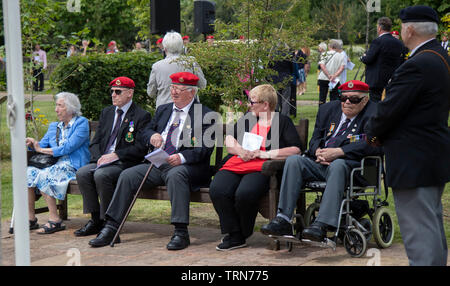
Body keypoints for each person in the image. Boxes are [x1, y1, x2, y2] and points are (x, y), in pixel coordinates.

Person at [89, 72, 216, 250]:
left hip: (187, 167)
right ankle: (111, 227)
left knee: (176, 174)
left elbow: (204, 148)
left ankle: (181, 232)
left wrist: (181, 157)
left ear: (192, 92)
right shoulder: (164, 109)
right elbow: (145, 131)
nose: (173, 92)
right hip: (158, 163)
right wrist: (153, 136)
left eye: (178, 89)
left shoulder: (206, 115)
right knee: (127, 175)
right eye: (172, 88)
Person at [366, 6, 449, 266]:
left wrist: (371, 136)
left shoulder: (418, 64)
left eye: (402, 27)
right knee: (430, 229)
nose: (401, 31)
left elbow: (387, 111)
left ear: (410, 29)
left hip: (413, 159)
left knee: (420, 236)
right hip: (430, 155)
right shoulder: (440, 56)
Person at [261, 80, 382, 241]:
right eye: (343, 98)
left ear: (365, 100)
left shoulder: (375, 113)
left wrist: (339, 152)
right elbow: (316, 138)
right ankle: (283, 219)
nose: (347, 102)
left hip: (354, 168)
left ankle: (322, 224)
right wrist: (317, 151)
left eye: (353, 99)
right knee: (294, 161)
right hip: (321, 163)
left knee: (338, 164)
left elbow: (375, 143)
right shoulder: (328, 110)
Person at [209, 84, 302, 251]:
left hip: (263, 167)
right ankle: (235, 233)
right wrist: (240, 150)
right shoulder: (248, 118)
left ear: (265, 104)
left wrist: (265, 154)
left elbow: (295, 149)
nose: (249, 105)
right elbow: (229, 139)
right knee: (217, 189)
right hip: (238, 162)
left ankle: (240, 234)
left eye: (252, 102)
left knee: (245, 193)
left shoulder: (282, 121)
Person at [74, 77, 152, 237]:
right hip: (103, 160)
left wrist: (115, 155)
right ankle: (96, 220)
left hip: (125, 162)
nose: (113, 95)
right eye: (112, 92)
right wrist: (99, 158)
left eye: (118, 91)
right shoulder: (107, 112)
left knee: (101, 175)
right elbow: (95, 142)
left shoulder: (141, 116)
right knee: (82, 173)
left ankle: (108, 222)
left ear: (130, 93)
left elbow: (140, 148)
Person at [27, 92, 90, 234]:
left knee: (46, 174)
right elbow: (41, 145)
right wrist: (32, 144)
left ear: (70, 108)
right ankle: (30, 219)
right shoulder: (54, 126)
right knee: (28, 173)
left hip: (74, 165)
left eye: (60, 106)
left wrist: (41, 149)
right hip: (54, 164)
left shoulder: (81, 123)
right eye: (56, 105)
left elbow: (69, 147)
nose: (56, 109)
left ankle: (54, 220)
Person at [147, 31, 207, 108]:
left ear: (164, 48)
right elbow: (202, 85)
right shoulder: (192, 62)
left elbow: (151, 93)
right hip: (190, 109)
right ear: (181, 46)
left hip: (164, 109)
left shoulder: (157, 66)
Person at [360, 17, 404, 102]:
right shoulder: (399, 43)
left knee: (375, 103)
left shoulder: (378, 41)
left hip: (377, 80)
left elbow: (368, 59)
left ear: (379, 28)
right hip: (392, 78)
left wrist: (362, 57)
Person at [317, 39, 346, 105]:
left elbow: (322, 65)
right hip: (335, 79)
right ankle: (333, 112)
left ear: (330, 46)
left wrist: (328, 75)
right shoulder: (341, 55)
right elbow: (342, 68)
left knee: (322, 97)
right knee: (334, 97)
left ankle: (321, 112)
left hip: (323, 78)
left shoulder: (324, 54)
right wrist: (334, 76)